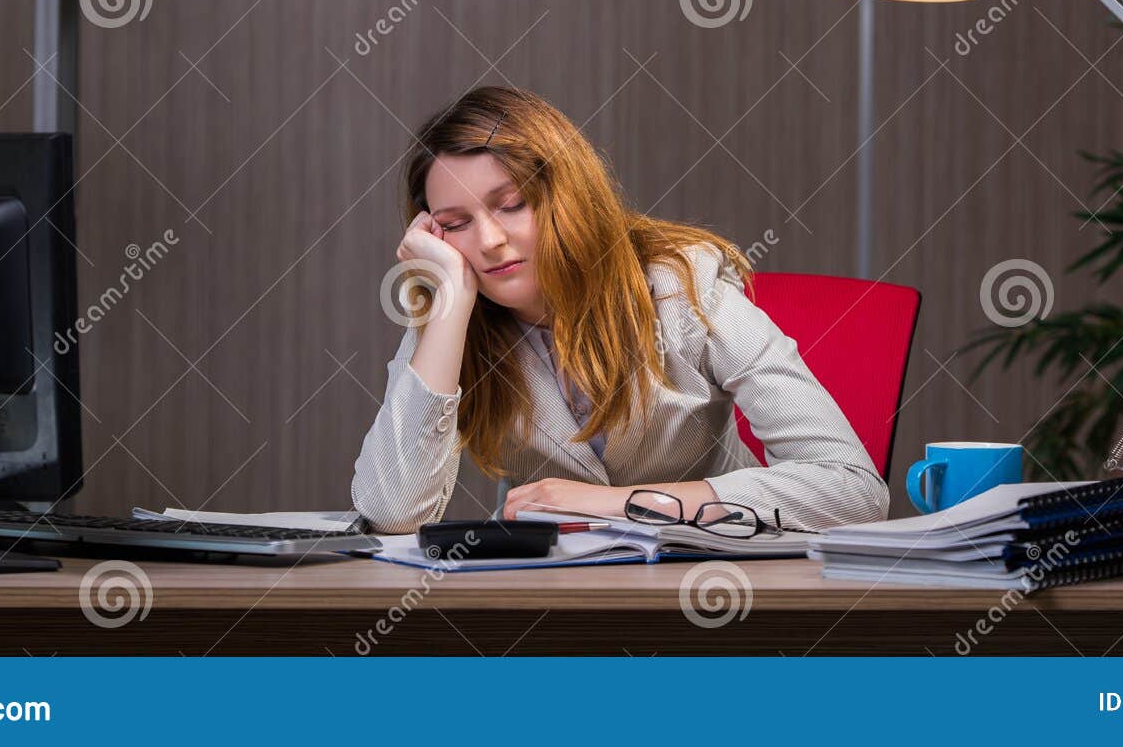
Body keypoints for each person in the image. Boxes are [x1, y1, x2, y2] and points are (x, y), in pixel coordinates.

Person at [350, 85, 889, 534]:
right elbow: (393, 515)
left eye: (512, 204)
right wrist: (446, 311)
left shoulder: (683, 285)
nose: (489, 239)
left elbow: (852, 489)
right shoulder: (456, 308)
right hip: (554, 607)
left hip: (714, 589)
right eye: (457, 222)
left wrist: (624, 502)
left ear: (567, 194)